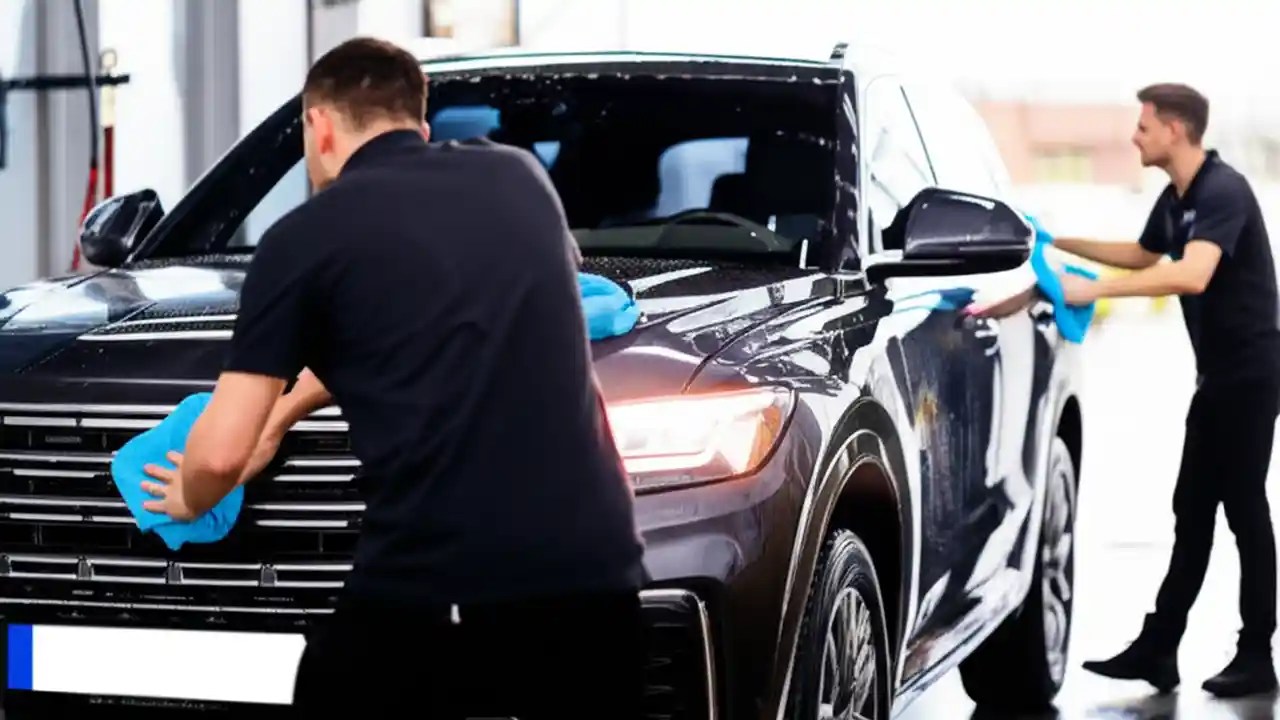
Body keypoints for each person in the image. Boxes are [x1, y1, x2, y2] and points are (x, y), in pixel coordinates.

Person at [137, 37, 648, 717]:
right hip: (601, 581)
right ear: (421, 124)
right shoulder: (520, 180)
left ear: (318, 128)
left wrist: (190, 496)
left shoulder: (301, 241)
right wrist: (287, 410)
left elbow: (221, 451)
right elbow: (425, 328)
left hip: (447, 588)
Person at [1046, 83, 1280, 697]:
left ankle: (1257, 653)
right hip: (1218, 379)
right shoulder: (1177, 199)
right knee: (1192, 512)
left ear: (1175, 129)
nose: (1135, 136)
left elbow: (1192, 274)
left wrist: (1092, 292)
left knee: (1244, 511)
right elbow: (1142, 254)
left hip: (1253, 374)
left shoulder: (1222, 191)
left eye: (1144, 126)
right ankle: (1159, 647)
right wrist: (1054, 242)